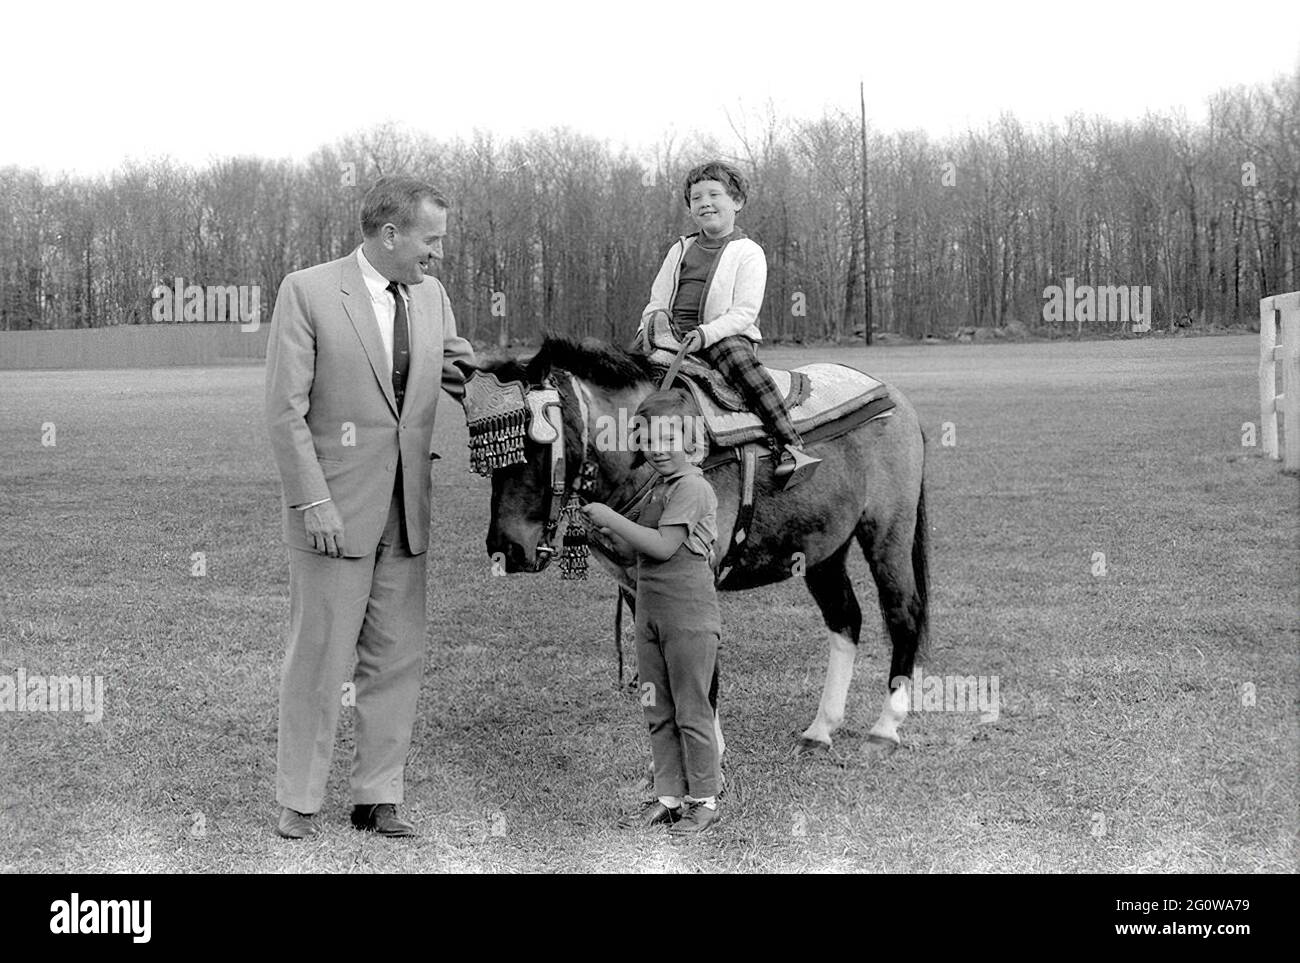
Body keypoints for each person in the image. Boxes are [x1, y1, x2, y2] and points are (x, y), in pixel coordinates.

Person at [264, 175, 475, 839]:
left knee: (396, 658)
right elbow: (284, 410)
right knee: (319, 659)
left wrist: (521, 386)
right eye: (430, 239)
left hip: (407, 509)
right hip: (331, 513)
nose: (438, 253)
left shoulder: (432, 295)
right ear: (390, 234)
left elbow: (460, 366)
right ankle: (299, 799)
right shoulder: (308, 290)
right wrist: (313, 501)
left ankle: (377, 797)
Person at [582, 389, 723, 835]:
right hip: (651, 616)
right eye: (649, 439)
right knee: (657, 709)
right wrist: (591, 529)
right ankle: (668, 797)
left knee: (691, 710)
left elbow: (662, 547)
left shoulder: (694, 488)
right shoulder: (658, 491)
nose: (659, 449)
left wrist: (609, 515)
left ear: (691, 438)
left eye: (670, 439)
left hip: (689, 620)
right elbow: (630, 547)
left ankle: (703, 800)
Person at [633, 160, 820, 483]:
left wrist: (705, 334)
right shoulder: (679, 249)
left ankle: (790, 444)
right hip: (671, 336)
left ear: (737, 202)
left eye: (714, 194)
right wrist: (651, 327)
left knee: (745, 370)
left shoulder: (748, 252)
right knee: (625, 373)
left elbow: (744, 312)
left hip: (723, 334)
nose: (704, 202)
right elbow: (657, 299)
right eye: (696, 198)